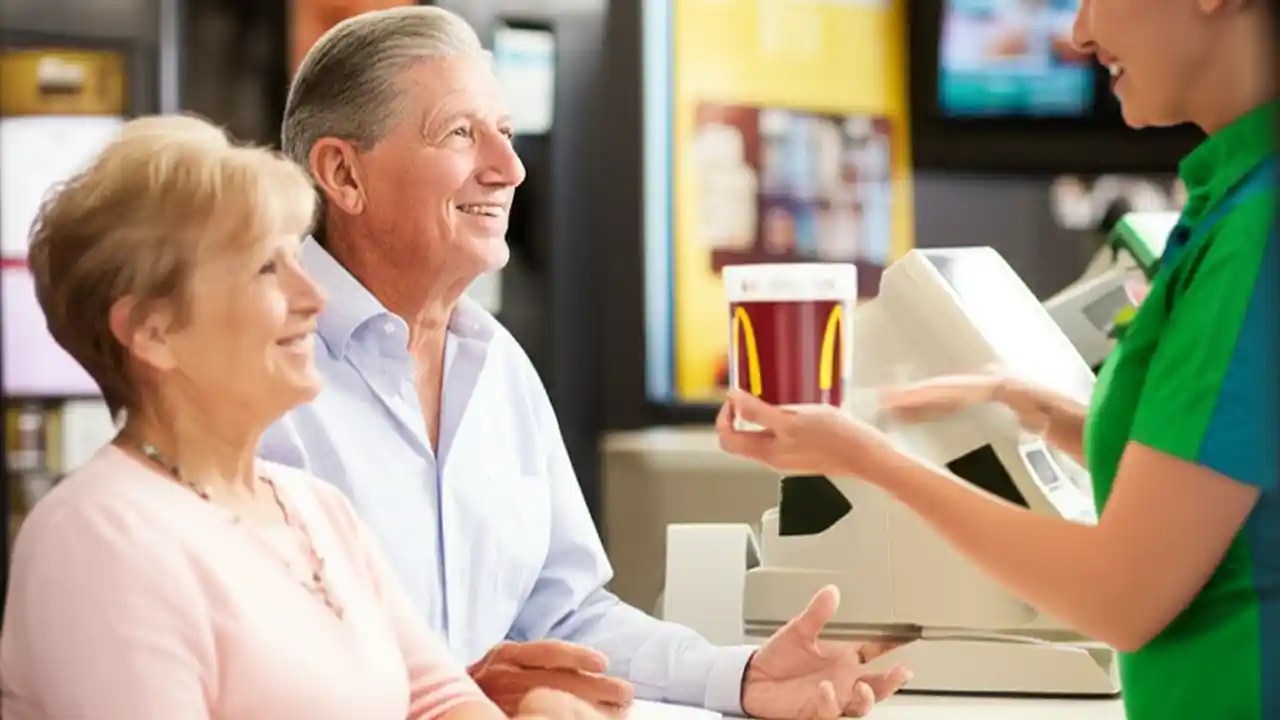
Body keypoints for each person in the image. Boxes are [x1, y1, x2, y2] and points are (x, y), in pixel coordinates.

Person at [262, 6, 910, 719]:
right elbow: (246, 660)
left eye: (505, 133)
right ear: (343, 174)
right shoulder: (249, 367)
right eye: (459, 133)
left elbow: (566, 617)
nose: (509, 169)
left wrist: (742, 677)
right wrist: (452, 697)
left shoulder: (497, 367)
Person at [716, 1, 1277, 719]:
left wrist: (867, 457)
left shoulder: (1253, 234)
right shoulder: (1230, 202)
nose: (1079, 33)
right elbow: (1211, 472)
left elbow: (1121, 593)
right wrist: (1037, 409)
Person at [0, 114, 595, 720]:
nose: (313, 297)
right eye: (266, 269)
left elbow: (437, 700)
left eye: (295, 260)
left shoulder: (314, 507)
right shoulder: (98, 537)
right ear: (153, 332)